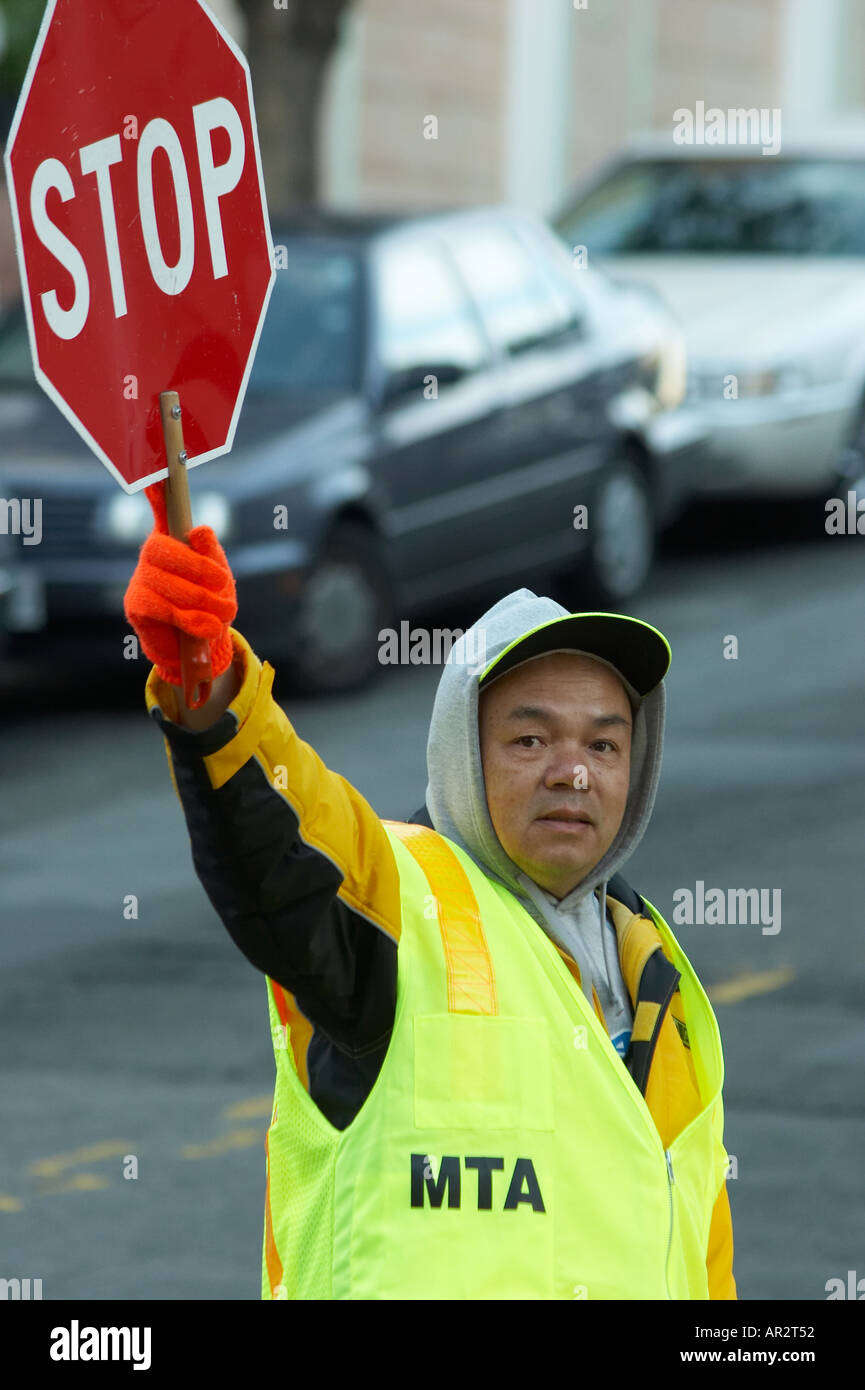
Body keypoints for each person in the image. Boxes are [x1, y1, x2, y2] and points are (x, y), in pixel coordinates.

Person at [125, 481, 736, 1301]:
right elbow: (279, 834)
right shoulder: (393, 901)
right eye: (529, 737)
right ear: (458, 753)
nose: (574, 770)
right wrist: (208, 687)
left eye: (605, 742)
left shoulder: (657, 974)